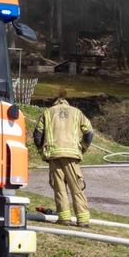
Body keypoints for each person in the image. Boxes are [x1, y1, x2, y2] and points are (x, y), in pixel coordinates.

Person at [34, 91, 95, 227]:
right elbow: (89, 132)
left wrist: (41, 151)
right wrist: (82, 148)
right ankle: (83, 220)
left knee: (59, 188)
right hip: (72, 155)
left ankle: (64, 219)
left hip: (54, 155)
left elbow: (37, 135)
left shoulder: (47, 112)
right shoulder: (77, 112)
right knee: (77, 188)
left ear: (54, 101)